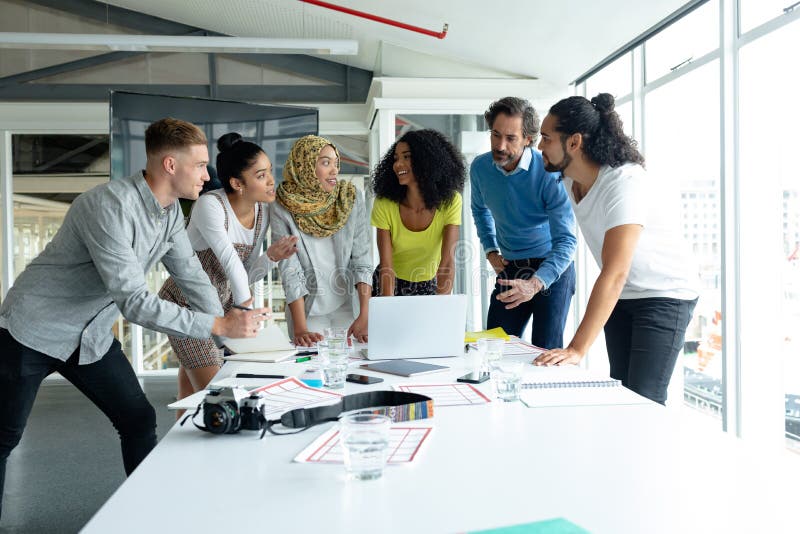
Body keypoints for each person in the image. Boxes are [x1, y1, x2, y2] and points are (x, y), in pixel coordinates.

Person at [0, 118, 267, 517]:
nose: (207, 175)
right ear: (171, 166)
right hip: (33, 329)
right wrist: (216, 326)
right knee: (4, 437)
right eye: (200, 165)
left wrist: (230, 335)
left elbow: (191, 276)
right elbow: (135, 302)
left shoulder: (171, 212)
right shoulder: (106, 206)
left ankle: (147, 517)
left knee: (138, 419)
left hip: (88, 337)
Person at [533, 94, 698, 404]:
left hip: (665, 292)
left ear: (574, 142)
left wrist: (577, 349)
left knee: (644, 398)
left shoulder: (623, 183)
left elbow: (615, 272)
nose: (539, 146)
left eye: (546, 138)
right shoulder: (569, 181)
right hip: (625, 294)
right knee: (623, 392)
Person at [159, 132, 298, 399]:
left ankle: (181, 440)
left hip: (222, 310)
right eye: (260, 175)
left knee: (189, 397)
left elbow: (245, 274)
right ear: (237, 183)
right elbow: (229, 261)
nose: (271, 181)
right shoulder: (210, 206)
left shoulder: (263, 212)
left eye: (270, 171)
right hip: (188, 308)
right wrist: (245, 314)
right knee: (217, 396)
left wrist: (271, 257)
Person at [470, 96, 577, 350]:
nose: (500, 145)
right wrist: (490, 251)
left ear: (529, 139)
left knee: (545, 352)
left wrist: (535, 284)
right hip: (511, 266)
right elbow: (479, 209)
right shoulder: (480, 168)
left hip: (553, 269)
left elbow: (567, 240)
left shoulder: (549, 172)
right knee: (494, 347)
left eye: (511, 138)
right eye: (496, 135)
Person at [271, 135, 372, 347]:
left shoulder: (350, 198)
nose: (335, 170)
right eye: (326, 162)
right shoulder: (283, 205)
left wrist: (365, 314)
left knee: (350, 368)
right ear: (305, 166)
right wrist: (300, 328)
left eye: (336, 163)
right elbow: (290, 269)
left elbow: (361, 258)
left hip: (347, 307)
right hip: (308, 310)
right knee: (313, 371)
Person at [370, 129, 465, 297]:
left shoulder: (451, 201)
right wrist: (388, 307)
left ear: (426, 161)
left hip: (428, 282)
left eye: (406, 157)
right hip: (389, 282)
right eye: (396, 158)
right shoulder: (384, 204)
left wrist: (441, 307)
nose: (398, 164)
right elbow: (386, 266)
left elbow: (447, 263)